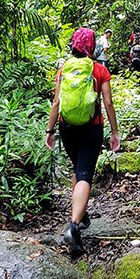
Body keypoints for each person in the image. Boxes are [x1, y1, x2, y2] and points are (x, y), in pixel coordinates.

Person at [45, 28, 120, 256]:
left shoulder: (64, 69)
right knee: (85, 174)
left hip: (67, 128)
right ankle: (74, 226)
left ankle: (81, 213)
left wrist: (50, 130)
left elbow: (56, 102)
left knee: (78, 168)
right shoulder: (99, 70)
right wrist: (115, 132)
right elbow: (107, 103)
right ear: (91, 47)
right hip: (91, 128)